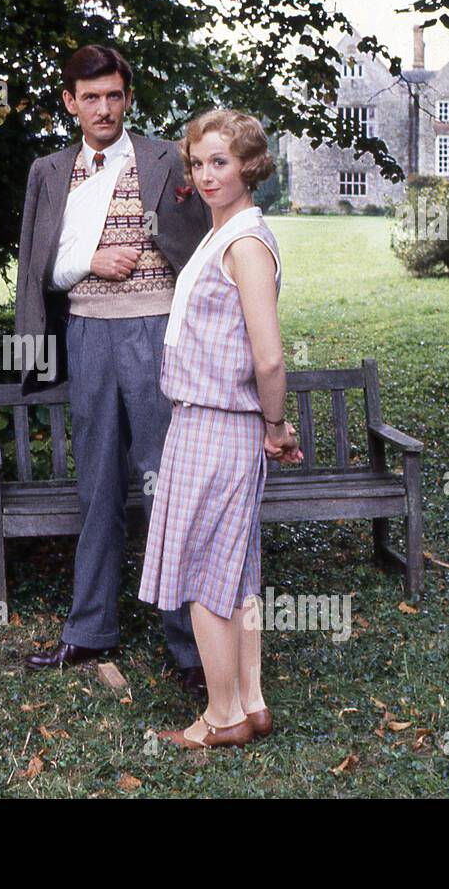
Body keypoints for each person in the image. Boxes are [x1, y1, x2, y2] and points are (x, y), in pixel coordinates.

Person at [14, 44, 209, 692]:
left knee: (164, 487)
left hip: (158, 333)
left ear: (129, 99)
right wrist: (88, 261)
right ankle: (89, 631)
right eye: (89, 97)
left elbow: (206, 244)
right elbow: (36, 265)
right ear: (69, 103)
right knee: (95, 486)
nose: (103, 108)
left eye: (113, 95)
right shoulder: (48, 171)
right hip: (87, 334)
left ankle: (188, 645)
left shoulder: (166, 158)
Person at [138, 109, 301, 748]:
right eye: (199, 162)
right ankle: (250, 703)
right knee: (232, 570)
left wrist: (276, 425)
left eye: (222, 162)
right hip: (204, 421)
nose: (207, 174)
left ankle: (222, 717)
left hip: (218, 424)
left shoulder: (245, 243)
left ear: (250, 166)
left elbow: (269, 357)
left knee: (207, 574)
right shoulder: (222, 233)